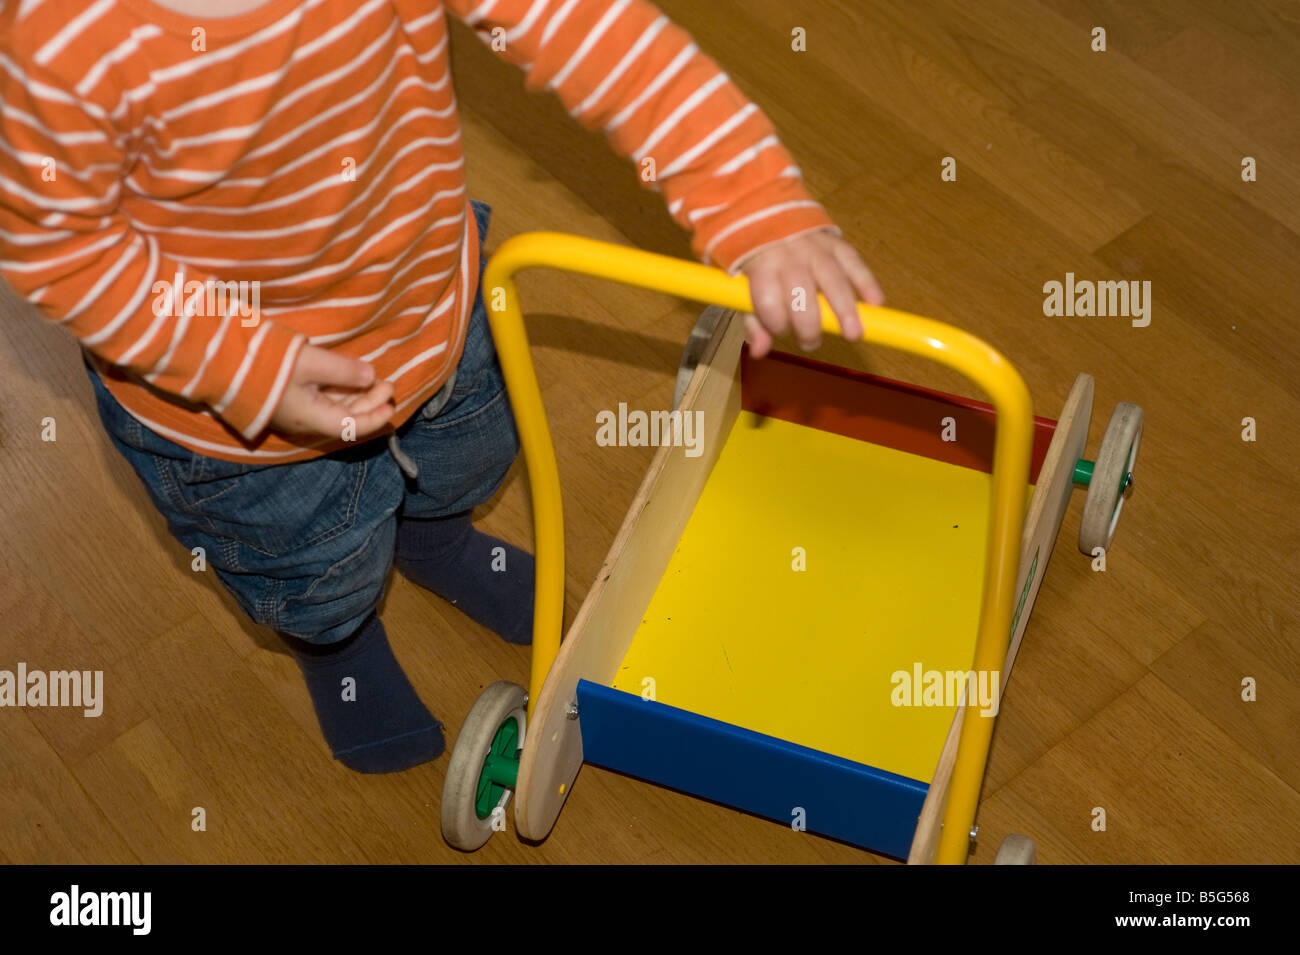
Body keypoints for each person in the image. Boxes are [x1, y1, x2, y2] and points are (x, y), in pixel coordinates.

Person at [0, 0, 884, 773]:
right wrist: (244, 365)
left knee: (469, 453)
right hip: (235, 427)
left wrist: (755, 202)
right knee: (311, 566)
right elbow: (62, 248)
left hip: (436, 304)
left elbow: (590, 26)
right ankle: (336, 641)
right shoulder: (57, 41)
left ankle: (435, 540)